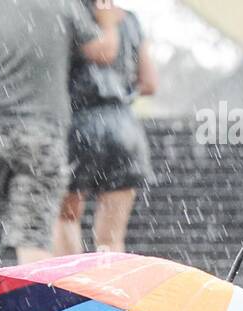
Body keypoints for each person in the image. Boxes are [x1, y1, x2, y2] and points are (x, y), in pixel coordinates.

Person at [0, 0, 121, 311]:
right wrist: (109, 21)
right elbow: (102, 50)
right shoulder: (60, 5)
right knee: (33, 233)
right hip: (41, 131)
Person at [54, 4, 157, 256]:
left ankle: (72, 292)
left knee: (65, 219)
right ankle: (108, 294)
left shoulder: (65, 17)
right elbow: (150, 83)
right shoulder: (129, 19)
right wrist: (120, 89)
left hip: (75, 125)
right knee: (111, 239)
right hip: (124, 129)